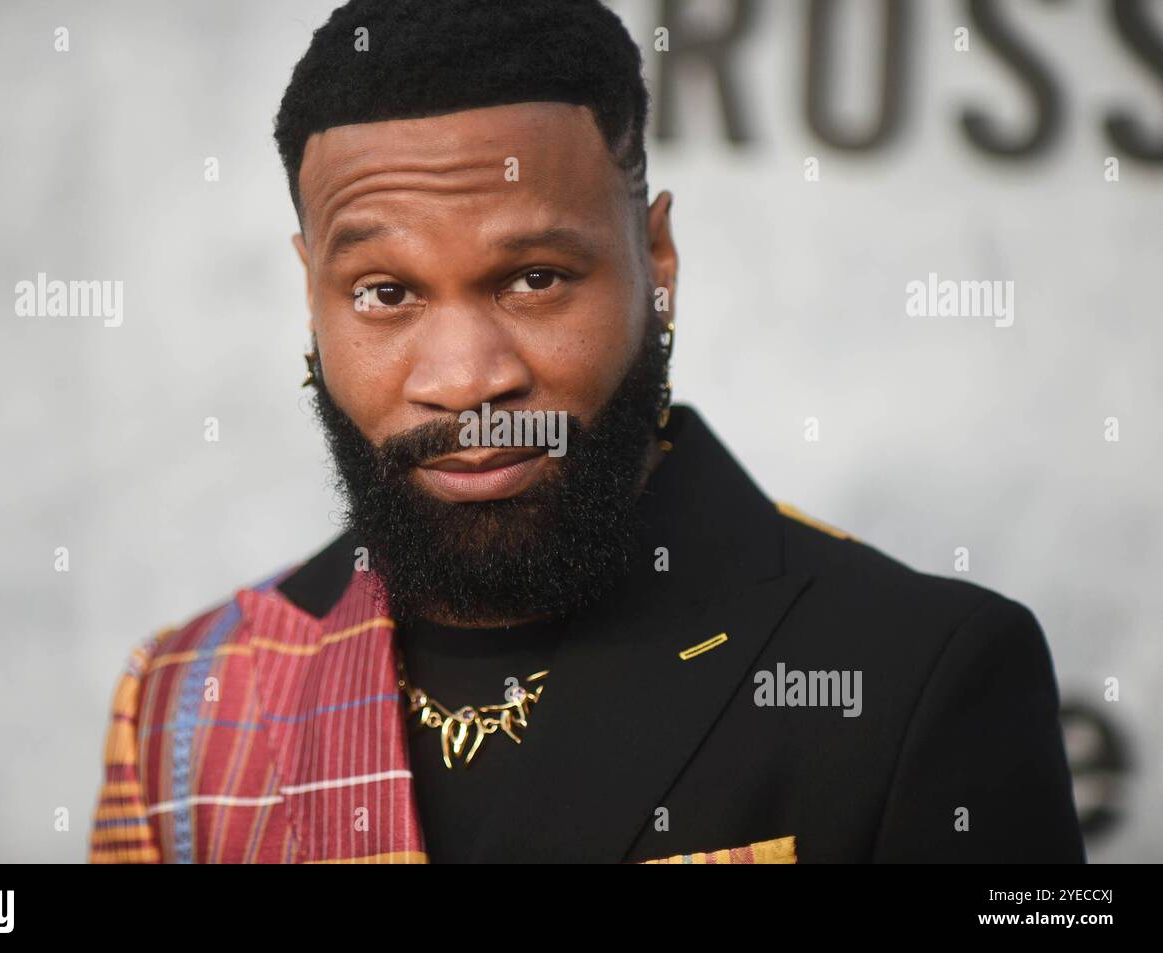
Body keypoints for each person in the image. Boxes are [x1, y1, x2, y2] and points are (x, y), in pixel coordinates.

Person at [88, 0, 1084, 864]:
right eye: (384, 292)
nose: (466, 377)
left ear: (657, 260)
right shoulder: (188, 696)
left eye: (533, 278)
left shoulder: (916, 672)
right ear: (314, 296)